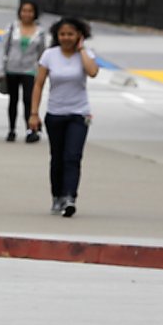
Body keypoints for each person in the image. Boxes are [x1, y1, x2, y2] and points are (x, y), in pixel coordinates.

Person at [29, 16, 99, 217]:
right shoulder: (49, 55)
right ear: (56, 36)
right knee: (57, 158)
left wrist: (82, 49)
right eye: (62, 34)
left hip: (79, 113)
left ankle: (70, 197)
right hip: (55, 114)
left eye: (70, 34)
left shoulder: (85, 55)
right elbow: (39, 84)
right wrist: (34, 113)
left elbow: (93, 72)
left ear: (79, 35)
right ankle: (57, 196)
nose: (66, 38)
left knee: (73, 156)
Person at [0, 0, 47, 143]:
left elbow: (42, 53)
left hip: (30, 70)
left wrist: (43, 71)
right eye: (24, 11)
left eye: (30, 11)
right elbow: (2, 49)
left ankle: (30, 130)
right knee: (13, 100)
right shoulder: (12, 28)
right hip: (12, 69)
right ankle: (11, 129)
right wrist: (0, 69)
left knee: (29, 100)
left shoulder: (40, 32)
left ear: (35, 13)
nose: (27, 14)